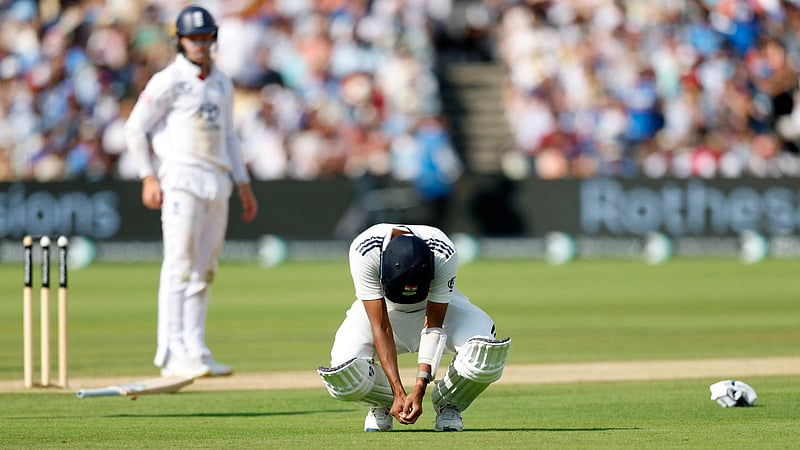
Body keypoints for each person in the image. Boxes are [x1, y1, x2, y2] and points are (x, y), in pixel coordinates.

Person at [124, 5, 258, 379]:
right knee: (179, 264)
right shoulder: (169, 80)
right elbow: (136, 128)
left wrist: (244, 184)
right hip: (180, 177)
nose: (199, 44)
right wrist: (148, 177)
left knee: (205, 269)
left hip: (217, 181)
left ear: (213, 39)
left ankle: (195, 345)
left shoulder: (222, 82)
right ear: (180, 41)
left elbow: (229, 136)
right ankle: (170, 351)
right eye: (192, 38)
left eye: (204, 37)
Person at [317, 223, 511, 432]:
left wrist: (419, 388)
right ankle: (384, 403)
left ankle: (450, 404)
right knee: (343, 377)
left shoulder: (441, 251)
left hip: (435, 309)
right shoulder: (365, 251)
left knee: (485, 355)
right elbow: (381, 326)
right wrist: (398, 392)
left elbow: (434, 325)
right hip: (384, 311)